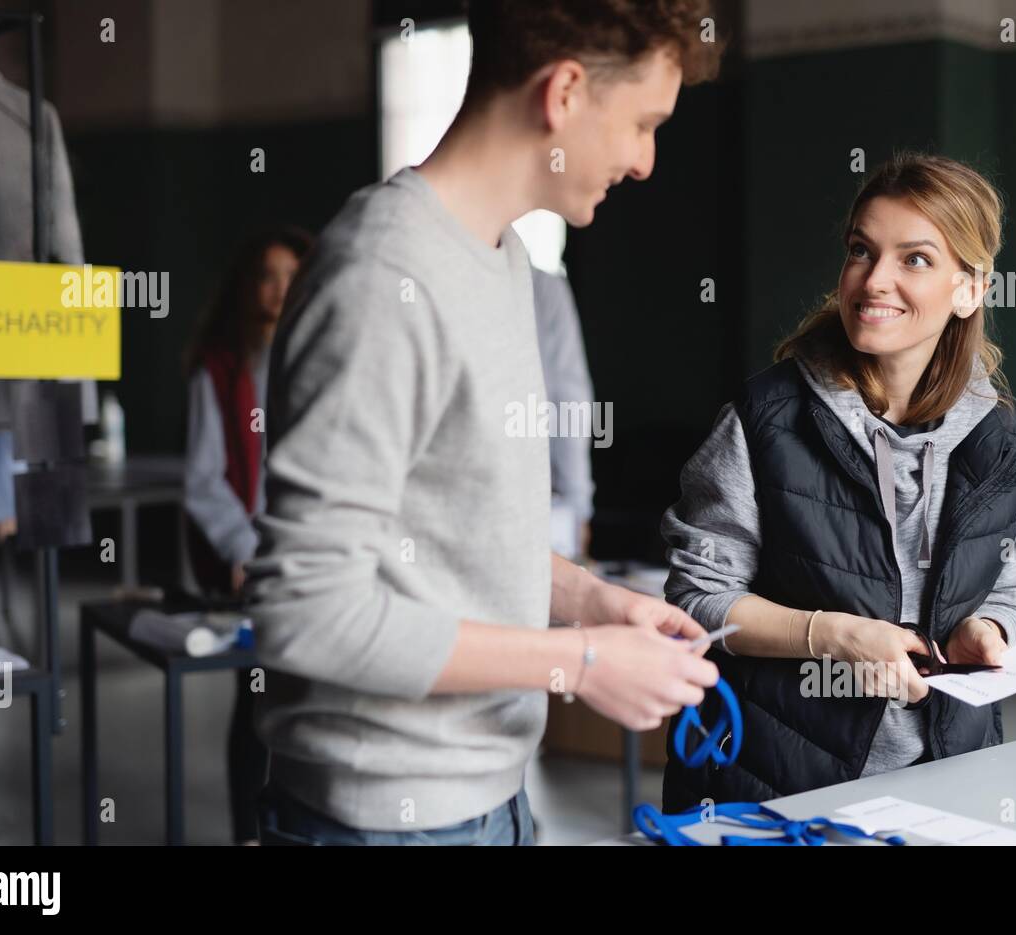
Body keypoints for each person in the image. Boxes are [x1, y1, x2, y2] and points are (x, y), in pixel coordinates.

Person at [249, 0, 724, 845]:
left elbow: (451, 530)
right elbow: (306, 610)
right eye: (644, 124)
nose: (646, 162)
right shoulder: (380, 274)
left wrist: (590, 602)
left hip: (492, 798)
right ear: (565, 93)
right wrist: (577, 664)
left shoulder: (504, 258)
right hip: (382, 821)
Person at [660, 153, 1016, 810]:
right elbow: (698, 600)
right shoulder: (764, 420)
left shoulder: (1008, 438)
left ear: (970, 289)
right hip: (772, 781)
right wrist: (834, 636)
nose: (874, 280)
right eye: (861, 250)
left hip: (950, 774)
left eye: (916, 258)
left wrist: (992, 629)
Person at [182, 225, 313, 844]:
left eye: (292, 277)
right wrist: (244, 549)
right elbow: (203, 480)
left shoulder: (321, 357)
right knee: (254, 701)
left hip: (316, 559)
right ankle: (245, 833)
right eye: (267, 276)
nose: (279, 290)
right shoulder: (218, 372)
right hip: (253, 564)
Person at [532, 266, 596, 559]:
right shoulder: (542, 287)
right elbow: (570, 399)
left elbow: (570, 402)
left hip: (536, 504)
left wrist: (576, 506)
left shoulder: (542, 287)